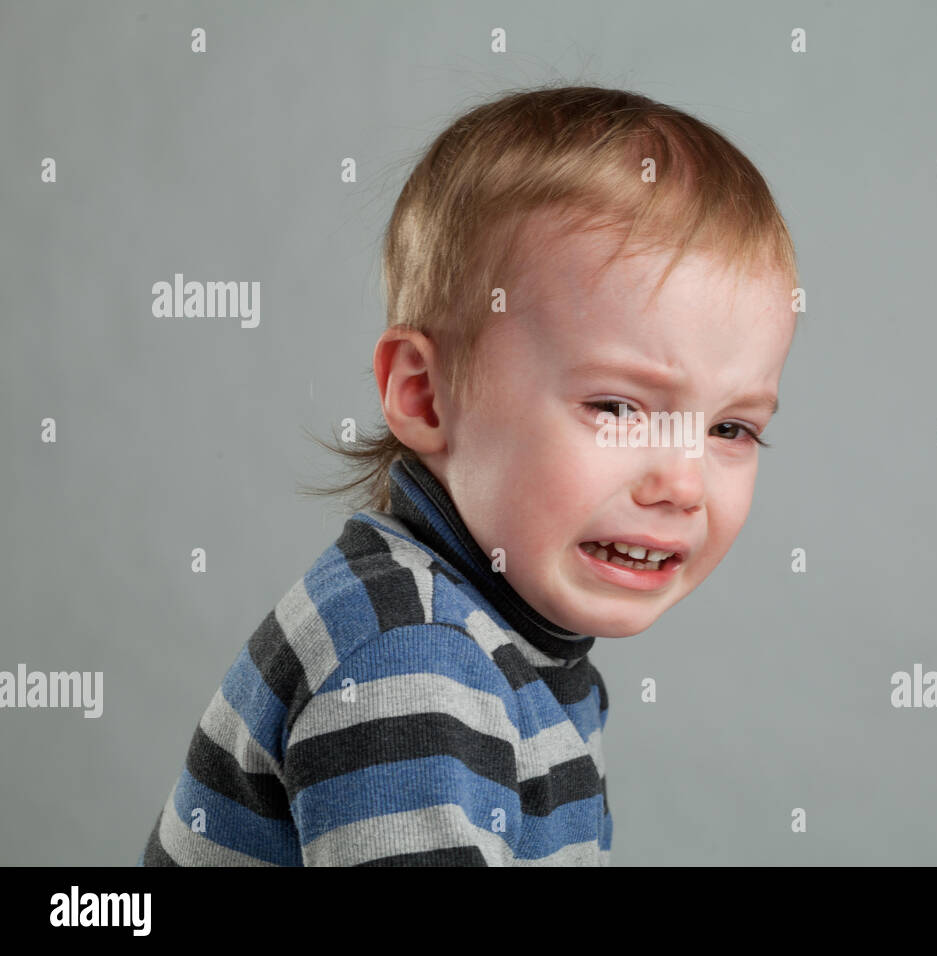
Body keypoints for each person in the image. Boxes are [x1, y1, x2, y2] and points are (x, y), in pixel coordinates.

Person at [139, 85, 800, 866]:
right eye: (619, 408)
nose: (682, 485)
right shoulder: (408, 657)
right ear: (426, 393)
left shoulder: (518, 644)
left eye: (730, 428)